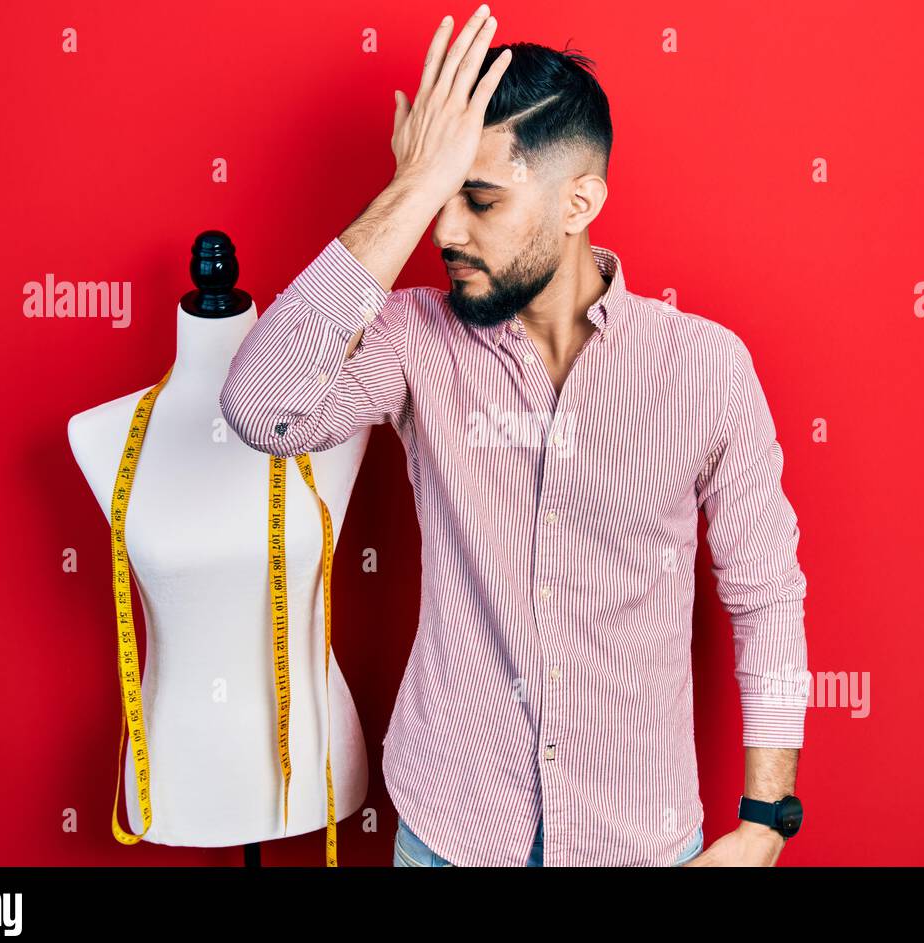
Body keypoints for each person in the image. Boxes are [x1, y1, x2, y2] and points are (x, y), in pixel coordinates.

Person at [219, 3, 808, 867]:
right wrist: (412, 186)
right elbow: (260, 409)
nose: (445, 234)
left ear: (580, 201)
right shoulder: (414, 336)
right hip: (450, 833)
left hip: (640, 842)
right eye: (439, 202)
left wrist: (767, 819)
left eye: (479, 200)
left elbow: (768, 597)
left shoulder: (707, 369)